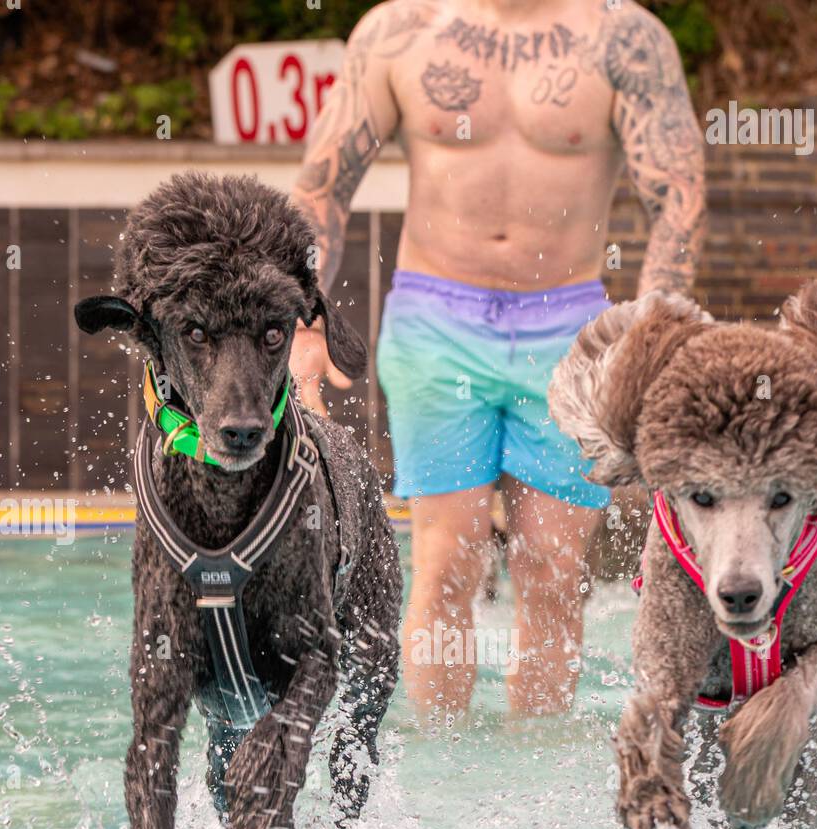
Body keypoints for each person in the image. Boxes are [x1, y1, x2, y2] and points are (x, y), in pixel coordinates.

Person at [291, 0, 705, 722]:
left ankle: (531, 773)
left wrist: (653, 335)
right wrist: (298, 324)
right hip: (435, 324)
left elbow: (677, 196)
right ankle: (440, 772)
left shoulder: (621, 37)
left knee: (552, 570)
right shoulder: (401, 31)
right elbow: (323, 186)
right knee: (446, 561)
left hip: (569, 334)